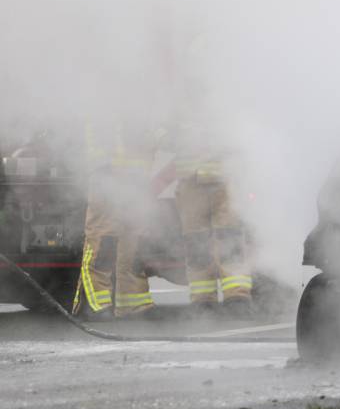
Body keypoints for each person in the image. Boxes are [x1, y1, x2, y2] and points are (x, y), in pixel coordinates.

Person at [73, 118, 162, 321]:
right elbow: (96, 132)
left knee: (134, 242)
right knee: (104, 239)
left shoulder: (140, 106)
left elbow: (152, 136)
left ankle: (133, 303)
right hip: (107, 179)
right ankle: (95, 303)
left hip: (135, 181)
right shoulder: (106, 101)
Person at [170, 122, 254, 318]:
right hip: (191, 182)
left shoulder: (226, 96)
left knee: (230, 238)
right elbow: (159, 134)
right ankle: (203, 300)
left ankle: (237, 297)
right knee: (196, 242)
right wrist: (174, 135)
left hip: (225, 180)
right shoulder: (178, 106)